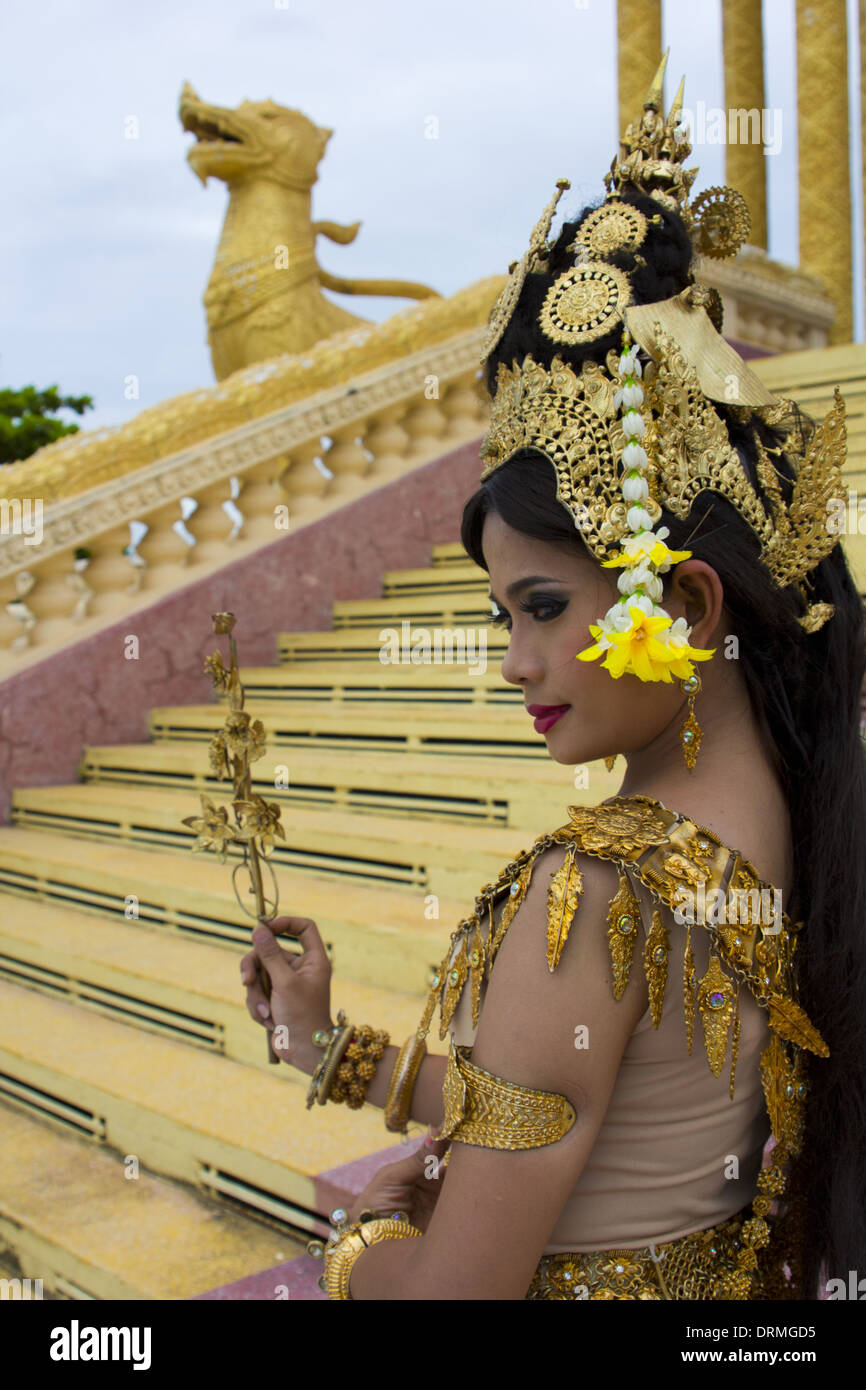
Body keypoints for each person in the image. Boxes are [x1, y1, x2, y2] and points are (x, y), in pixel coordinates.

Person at [239, 57, 866, 1300]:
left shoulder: (594, 896)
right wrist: (326, 1046)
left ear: (682, 602)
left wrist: (360, 1246)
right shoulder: (799, 815)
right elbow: (577, 1101)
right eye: (498, 614)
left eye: (541, 609)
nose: (514, 662)